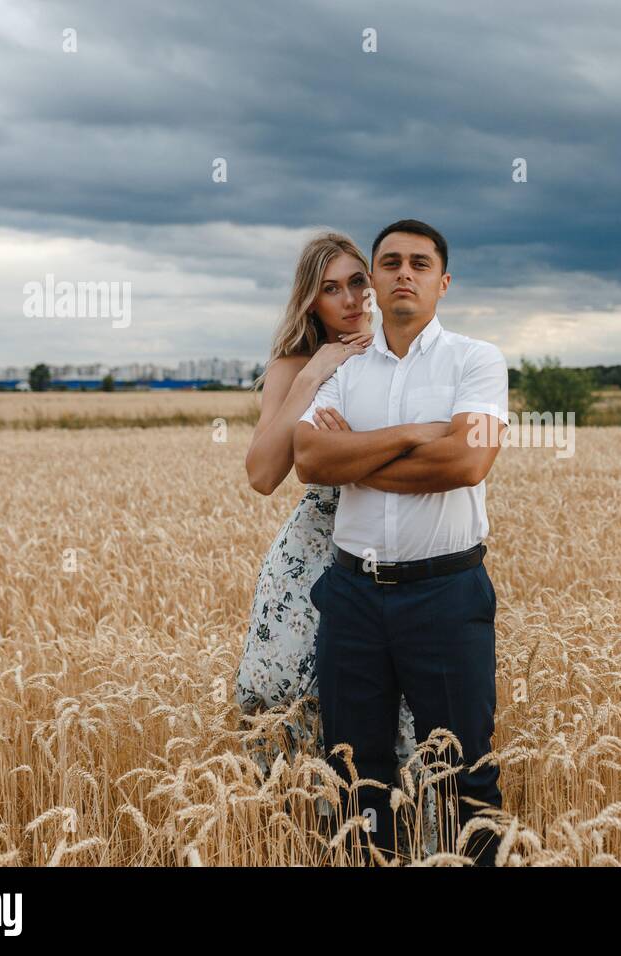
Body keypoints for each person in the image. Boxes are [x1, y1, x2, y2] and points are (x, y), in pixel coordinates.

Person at [294, 219, 509, 865]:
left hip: (445, 593)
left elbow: (466, 465)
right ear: (376, 282)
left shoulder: (475, 358)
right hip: (353, 595)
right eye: (390, 263)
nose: (403, 273)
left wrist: (352, 454)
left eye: (420, 263)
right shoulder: (346, 364)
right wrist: (420, 432)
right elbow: (307, 459)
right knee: (357, 778)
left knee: (466, 776)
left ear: (443, 283)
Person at [235, 229, 438, 852]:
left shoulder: (397, 356)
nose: (351, 298)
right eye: (331, 288)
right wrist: (315, 374)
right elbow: (265, 472)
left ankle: (392, 842)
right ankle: (301, 843)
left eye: (358, 281)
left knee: (390, 714)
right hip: (307, 560)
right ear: (311, 303)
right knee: (283, 698)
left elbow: (434, 448)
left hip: (388, 545)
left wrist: (343, 449)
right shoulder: (296, 368)